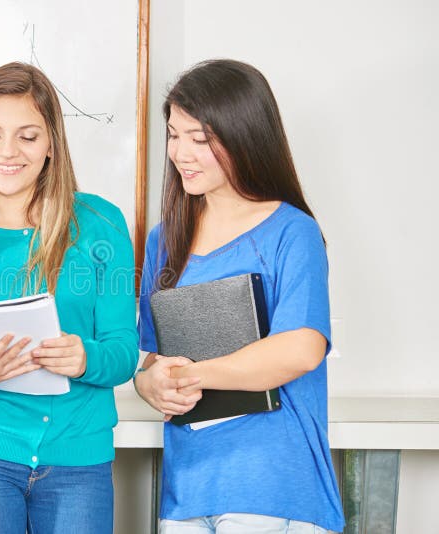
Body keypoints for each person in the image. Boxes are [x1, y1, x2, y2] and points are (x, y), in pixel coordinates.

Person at [0, 62, 138, 534]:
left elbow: (122, 354)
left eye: (28, 137)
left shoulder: (102, 225)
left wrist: (83, 357)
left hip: (79, 459)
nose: (7, 153)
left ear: (52, 143)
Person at [134, 59, 345, 533]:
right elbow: (150, 355)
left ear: (245, 134)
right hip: (188, 488)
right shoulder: (165, 239)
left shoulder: (292, 232)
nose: (181, 153)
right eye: (174, 135)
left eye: (200, 139)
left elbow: (301, 347)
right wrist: (149, 384)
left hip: (273, 484)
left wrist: (194, 375)